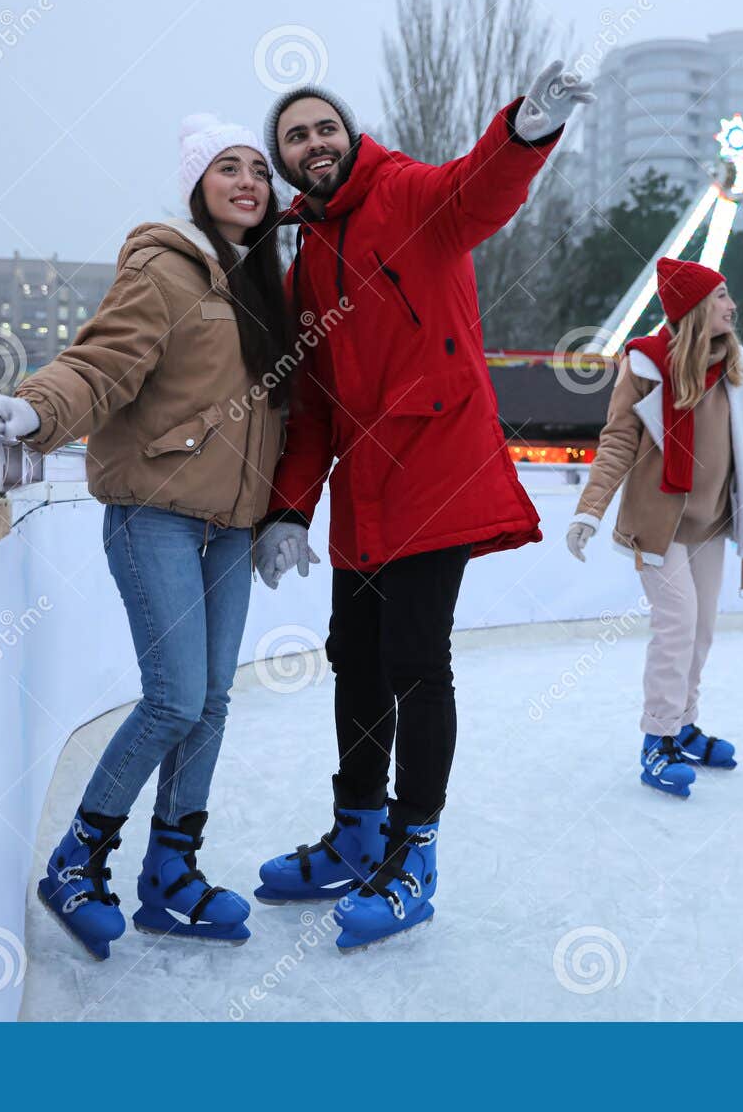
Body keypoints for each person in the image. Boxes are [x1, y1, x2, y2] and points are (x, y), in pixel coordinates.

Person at [249, 62, 594, 950]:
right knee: (352, 655)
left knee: (412, 656)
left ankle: (415, 853)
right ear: (285, 161)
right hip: (364, 490)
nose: (314, 142)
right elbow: (316, 405)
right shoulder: (305, 259)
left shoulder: (403, 192)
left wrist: (523, 129)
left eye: (326, 127)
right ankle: (357, 830)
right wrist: (291, 508)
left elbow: (476, 192)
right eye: (296, 135)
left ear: (350, 136)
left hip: (435, 468)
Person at [0, 114, 295, 958]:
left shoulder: (264, 284)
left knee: (214, 702)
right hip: (154, 509)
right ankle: (79, 860)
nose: (249, 182)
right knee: (174, 697)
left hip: (231, 526)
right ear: (198, 183)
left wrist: (277, 512)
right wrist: (34, 409)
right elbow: (101, 364)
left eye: (259, 170)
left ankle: (171, 874)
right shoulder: (163, 268)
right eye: (229, 168)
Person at [567, 258, 743, 797]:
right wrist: (590, 510)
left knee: (701, 630)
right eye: (722, 296)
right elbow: (616, 441)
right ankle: (656, 740)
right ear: (697, 307)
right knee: (677, 624)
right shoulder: (645, 367)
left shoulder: (732, 367)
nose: (732, 305)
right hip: (657, 526)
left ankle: (682, 725)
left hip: (709, 523)